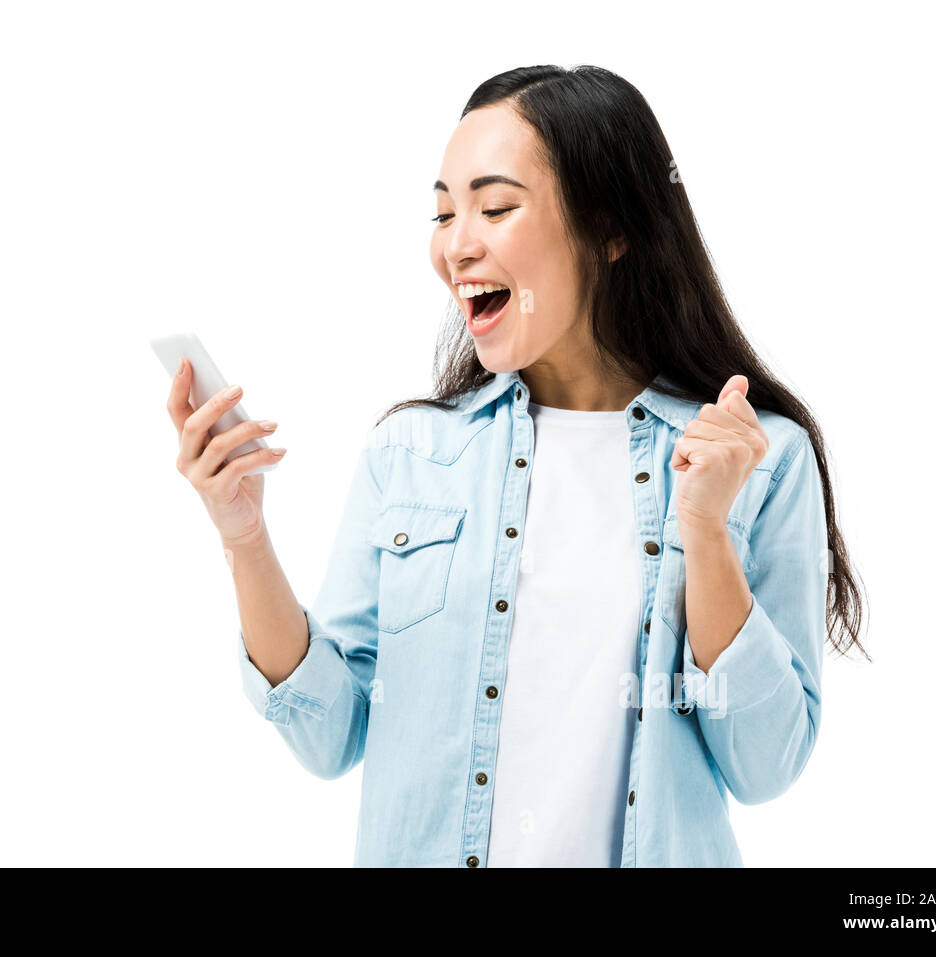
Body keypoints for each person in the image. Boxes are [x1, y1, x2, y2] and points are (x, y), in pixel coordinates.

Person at [168, 64, 868, 867]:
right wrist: (245, 535)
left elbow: (765, 763)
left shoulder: (758, 457)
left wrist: (705, 528)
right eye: (443, 211)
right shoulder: (413, 455)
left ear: (610, 228)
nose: (455, 244)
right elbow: (330, 735)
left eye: (495, 207)